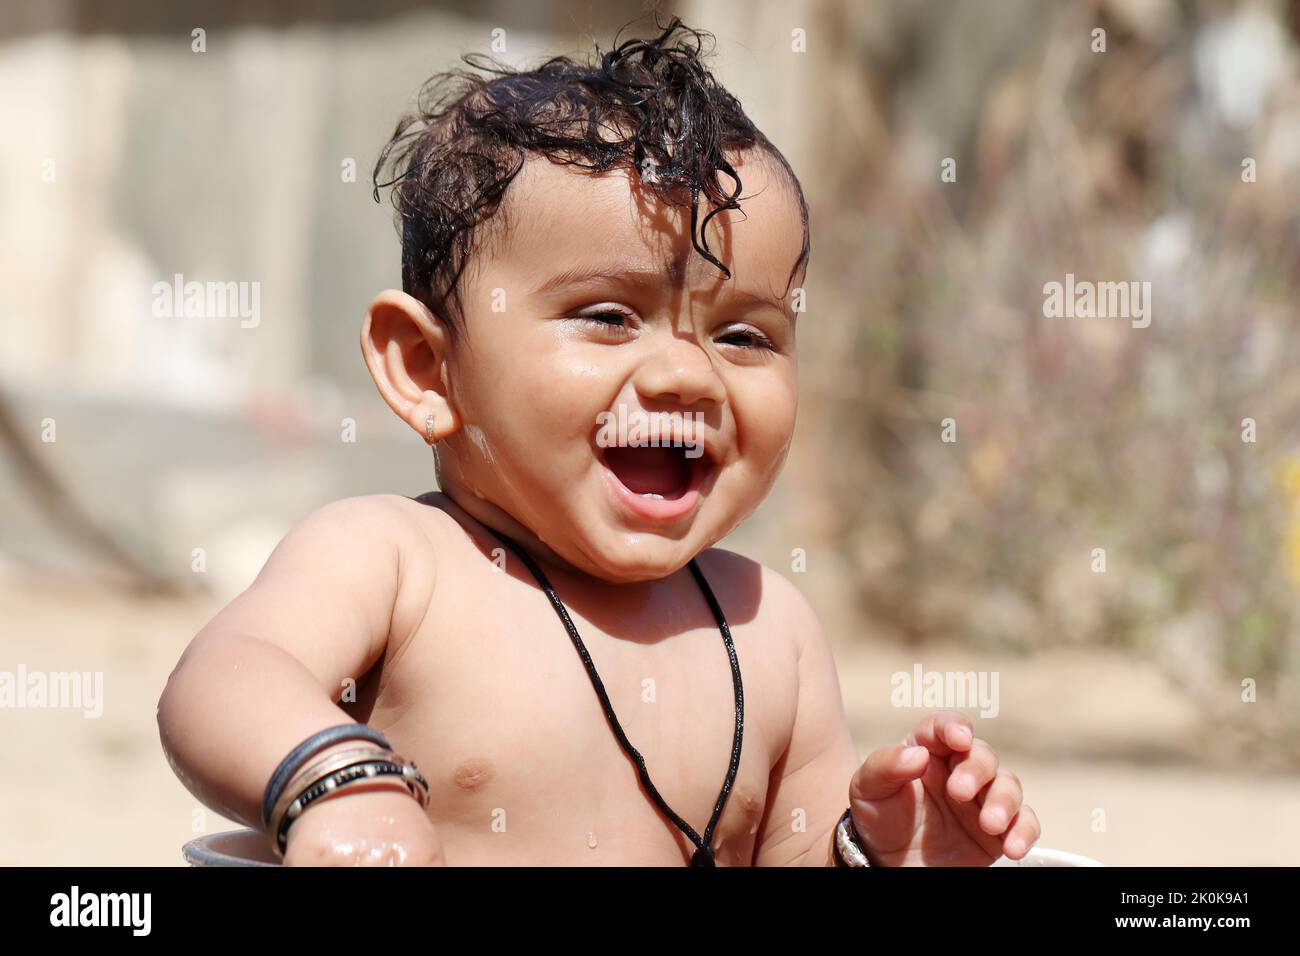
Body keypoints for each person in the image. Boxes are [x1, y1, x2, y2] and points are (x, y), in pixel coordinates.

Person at [157, 16, 1040, 867]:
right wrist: (337, 781)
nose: (687, 377)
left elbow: (794, 856)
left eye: (744, 336)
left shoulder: (771, 631)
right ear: (429, 370)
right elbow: (224, 679)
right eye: (609, 317)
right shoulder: (394, 562)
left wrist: (876, 851)